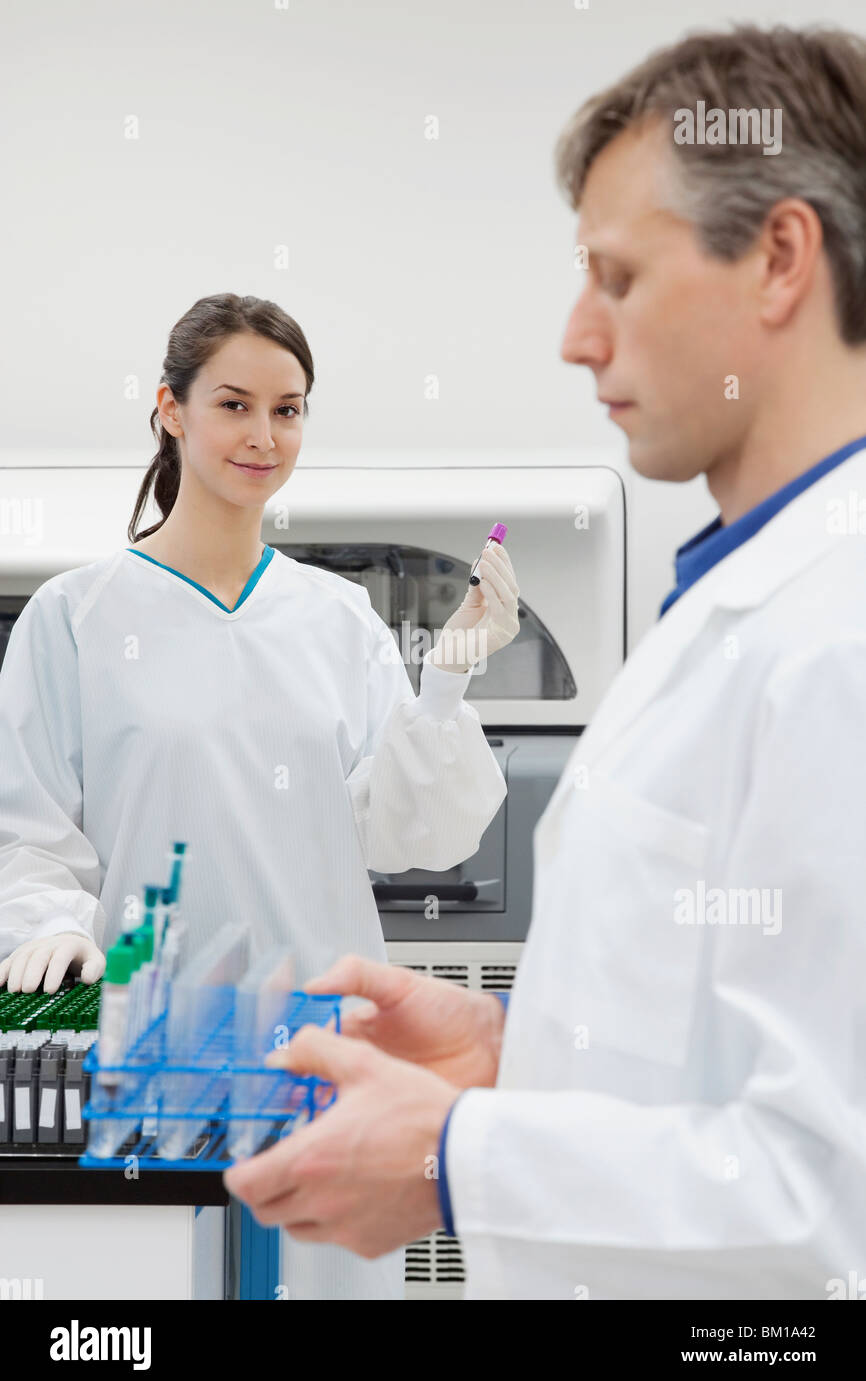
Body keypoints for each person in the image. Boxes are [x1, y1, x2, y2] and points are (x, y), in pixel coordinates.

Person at [224, 24, 866, 1299]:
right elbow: (732, 1066)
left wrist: (459, 1154)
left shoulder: (834, 640)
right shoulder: (742, 604)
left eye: (616, 278)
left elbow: (826, 1199)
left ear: (780, 260)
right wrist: (522, 1057)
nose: (578, 338)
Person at [0, 293, 520, 1299]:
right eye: (234, 404)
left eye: (288, 410)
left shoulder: (337, 619)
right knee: (144, 1295)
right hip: (151, 1044)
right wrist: (47, 927)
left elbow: (407, 831)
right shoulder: (78, 618)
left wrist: (446, 676)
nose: (262, 435)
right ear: (170, 409)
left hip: (323, 1044)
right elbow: (32, 833)